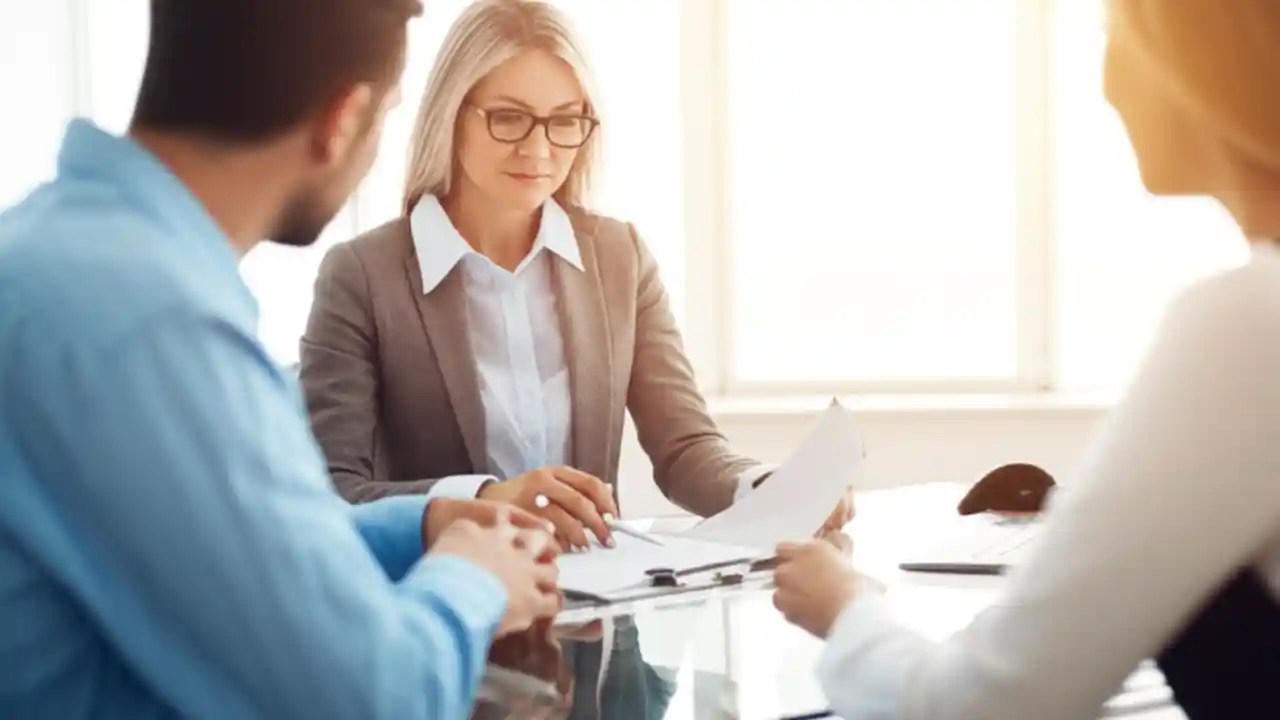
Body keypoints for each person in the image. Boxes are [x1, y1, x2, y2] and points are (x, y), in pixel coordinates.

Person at [0, 1, 564, 717]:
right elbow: (370, 699)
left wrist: (421, 527)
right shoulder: (148, 327)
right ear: (342, 120)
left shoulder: (60, 255)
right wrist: (474, 577)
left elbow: (221, 552)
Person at [771, 1, 1280, 718]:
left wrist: (847, 608)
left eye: (1118, 42)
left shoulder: (1249, 323)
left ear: (1206, 61)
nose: (1106, 86)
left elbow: (987, 705)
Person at [300, 0, 853, 550]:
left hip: (600, 601)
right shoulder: (362, 276)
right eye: (509, 118)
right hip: (449, 598)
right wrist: (485, 501)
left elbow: (685, 448)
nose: (539, 150)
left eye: (565, 121)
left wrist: (766, 487)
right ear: (451, 112)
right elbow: (332, 493)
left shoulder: (620, 256)